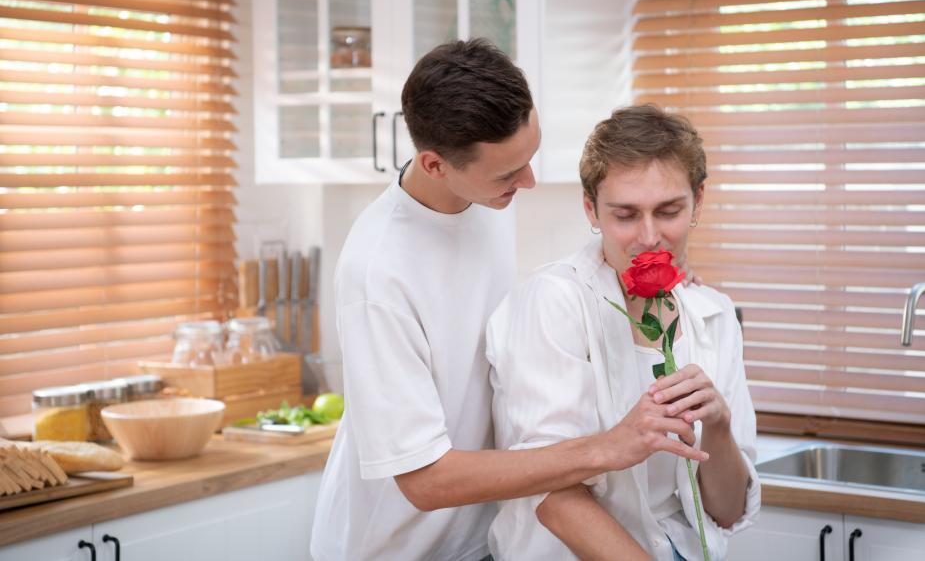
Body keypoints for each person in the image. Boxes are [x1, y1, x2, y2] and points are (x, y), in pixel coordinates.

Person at [310, 42, 708, 561]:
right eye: (508, 174)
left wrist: (656, 266)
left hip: (481, 537)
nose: (529, 181)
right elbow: (425, 481)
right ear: (434, 165)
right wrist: (607, 446)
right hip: (397, 549)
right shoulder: (378, 273)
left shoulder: (485, 198)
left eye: (530, 157)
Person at [486, 104, 761, 561]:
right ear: (591, 209)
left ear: (699, 202)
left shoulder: (713, 314)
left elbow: (727, 512)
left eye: (669, 210)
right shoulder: (552, 302)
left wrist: (719, 426)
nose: (650, 237)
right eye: (626, 214)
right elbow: (552, 496)